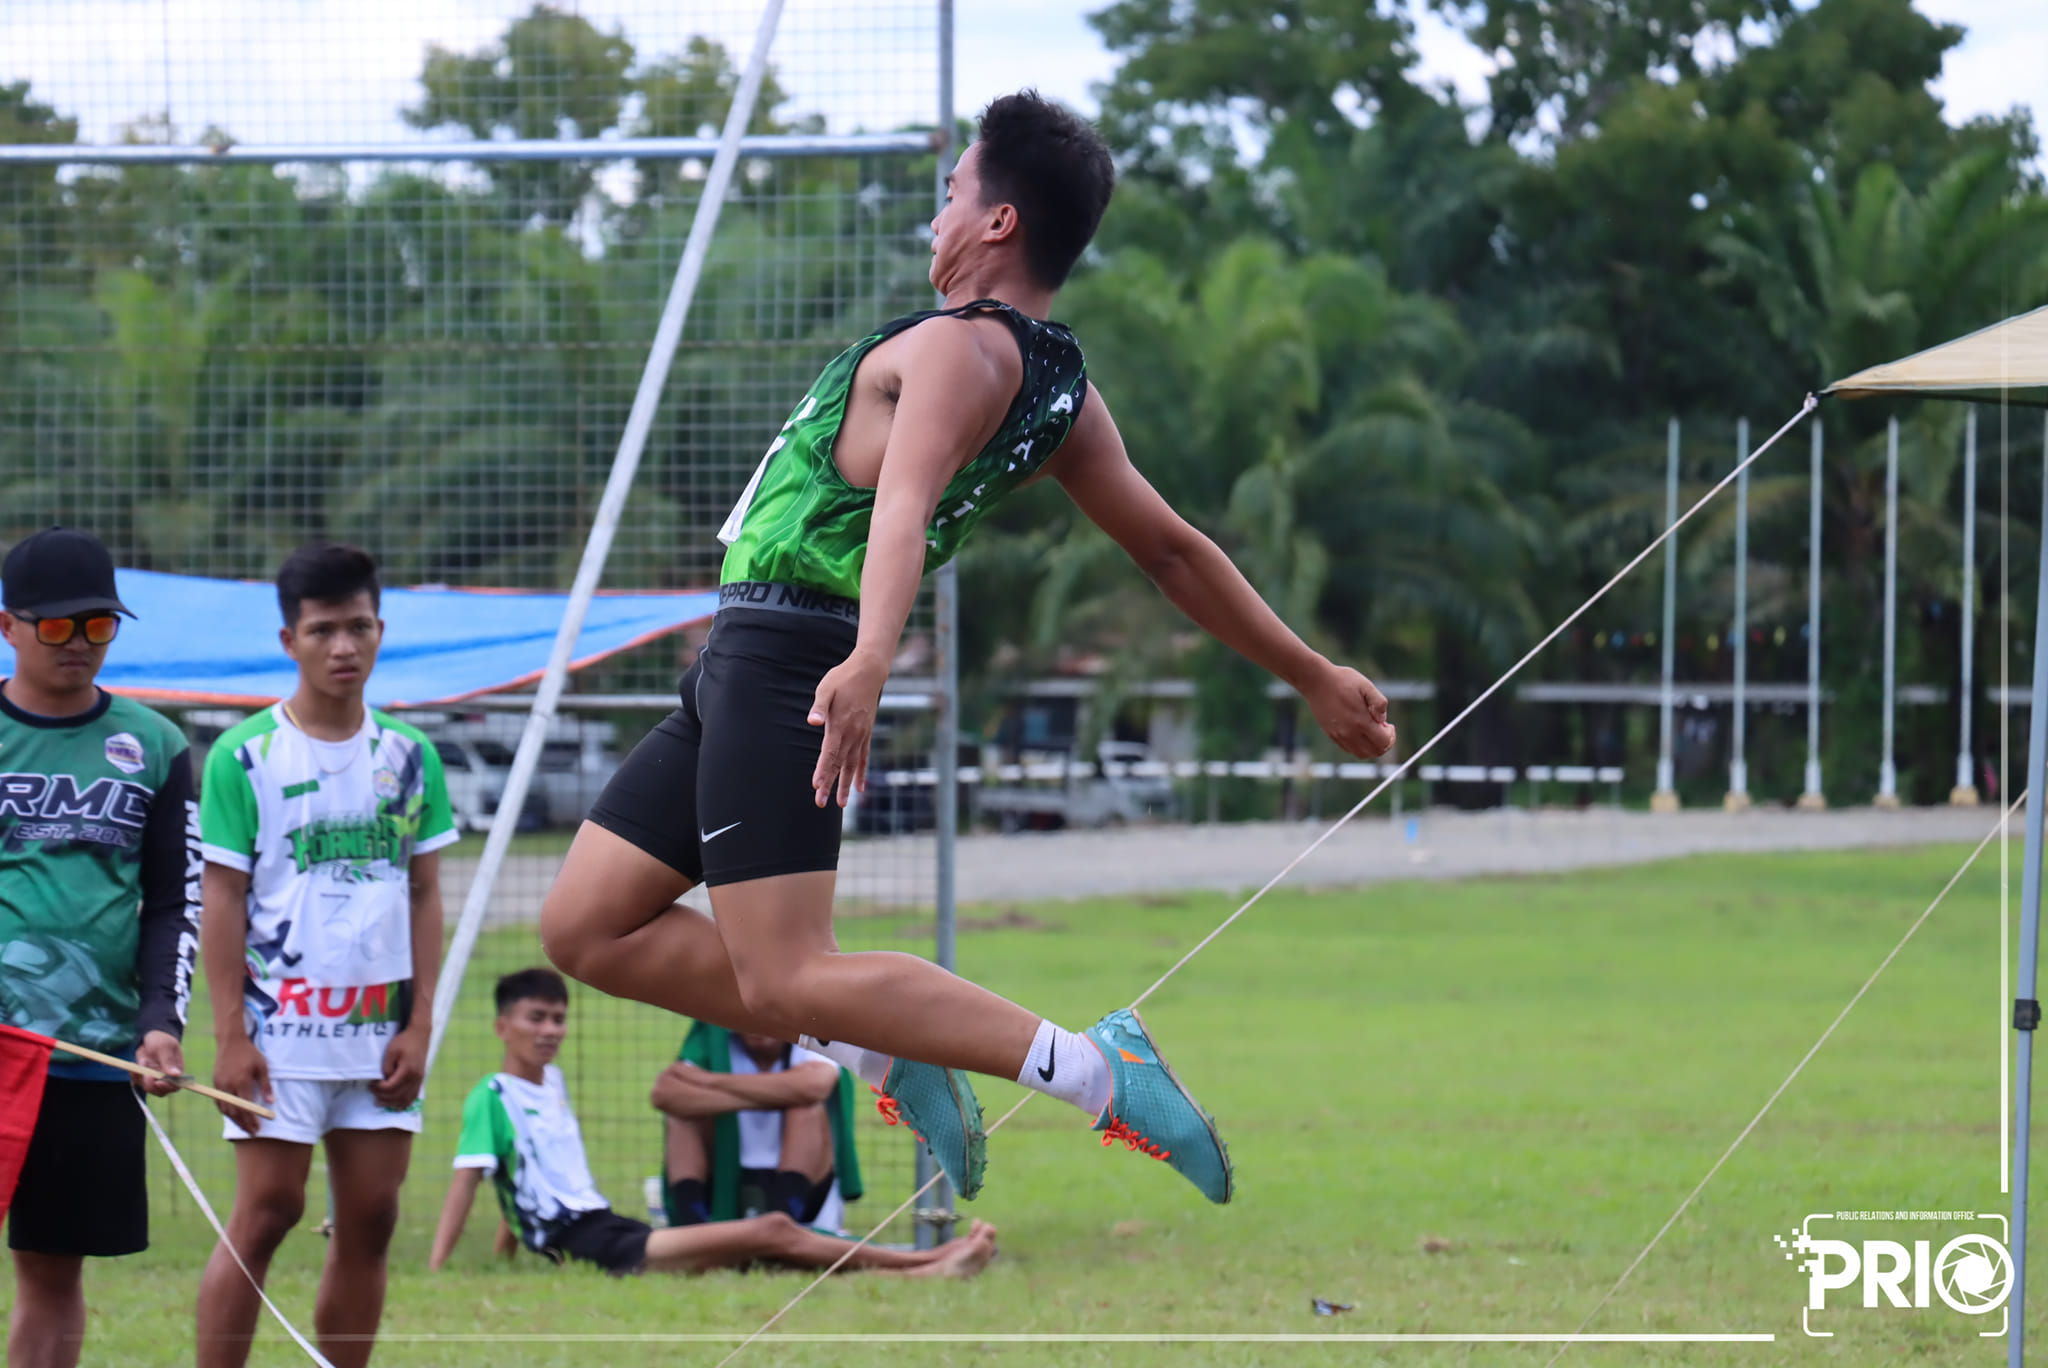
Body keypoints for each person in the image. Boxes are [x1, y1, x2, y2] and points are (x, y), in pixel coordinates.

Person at [540, 91, 1397, 1209]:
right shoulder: (1061, 394)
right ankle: (893, 1048)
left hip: (796, 652)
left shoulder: (952, 350)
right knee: (585, 927)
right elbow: (1176, 557)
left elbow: (902, 506)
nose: (936, 219)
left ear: (998, 222)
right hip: (746, 654)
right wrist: (1313, 674)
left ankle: (1094, 1070)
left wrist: (870, 661)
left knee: (789, 968)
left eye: (950, 194)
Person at [193, 544, 458, 1368]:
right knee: (268, 1210)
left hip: (378, 1036)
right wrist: (230, 1035)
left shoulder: (412, 756)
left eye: (357, 627)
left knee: (372, 1218)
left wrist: (421, 1024)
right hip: (283, 1035)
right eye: (322, 631)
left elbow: (423, 894)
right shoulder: (243, 756)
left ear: (380, 631)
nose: (343, 647)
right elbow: (224, 901)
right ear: (289, 640)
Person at [429, 969, 995, 1279]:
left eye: (558, 1019)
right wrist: (438, 1268)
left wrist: (512, 1250)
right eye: (536, 1019)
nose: (550, 1031)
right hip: (588, 1240)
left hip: (600, 1224)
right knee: (771, 1235)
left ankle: (925, 1262)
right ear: (503, 1026)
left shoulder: (550, 1084)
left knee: (761, 1244)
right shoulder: (491, 1095)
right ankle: (923, 1266)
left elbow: (524, 1181)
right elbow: (470, 1181)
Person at [0, 527, 199, 1368]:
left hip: (89, 1057)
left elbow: (173, 902)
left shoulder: (154, 746)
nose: (78, 644)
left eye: (97, 625)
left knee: (52, 1270)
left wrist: (161, 1020)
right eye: (55, 627)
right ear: (9, 625)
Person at [653, 1022, 866, 1235]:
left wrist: (708, 1081)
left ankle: (783, 1224)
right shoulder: (713, 1033)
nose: (757, 1027)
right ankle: (694, 1229)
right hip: (722, 1173)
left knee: (807, 1111)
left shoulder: (809, 1029)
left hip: (805, 1181)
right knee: (683, 1117)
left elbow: (816, 1085)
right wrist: (780, 1095)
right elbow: (665, 1093)